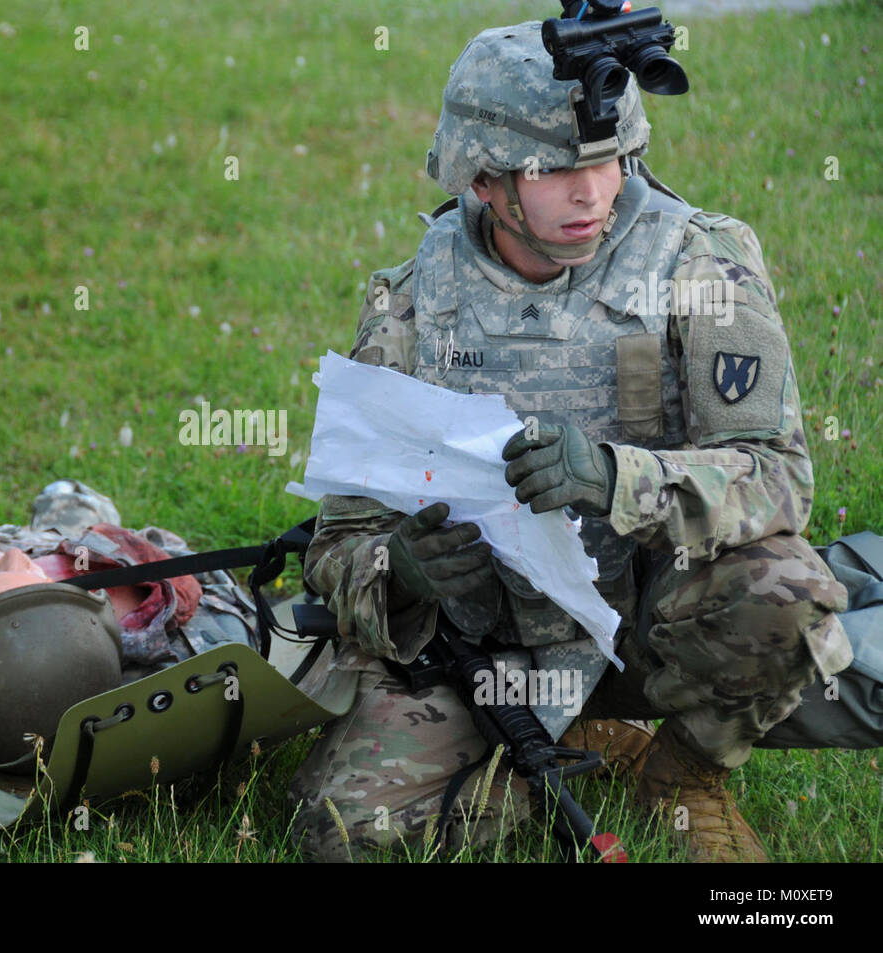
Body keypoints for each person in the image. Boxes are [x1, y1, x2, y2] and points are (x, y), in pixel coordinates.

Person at [287, 19, 853, 863]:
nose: (595, 192)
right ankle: (557, 751)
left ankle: (685, 773)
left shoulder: (698, 264)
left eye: (610, 157)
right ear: (482, 177)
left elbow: (778, 478)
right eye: (555, 169)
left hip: (653, 623)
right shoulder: (414, 304)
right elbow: (337, 542)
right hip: (490, 648)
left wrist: (619, 477)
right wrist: (398, 570)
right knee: (340, 836)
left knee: (784, 589)